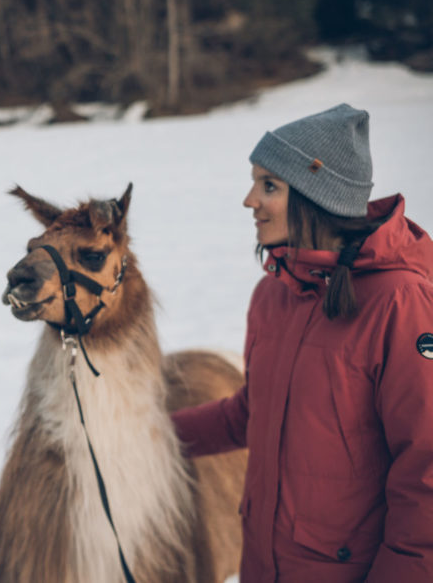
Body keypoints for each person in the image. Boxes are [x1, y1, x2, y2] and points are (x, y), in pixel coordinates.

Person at [171, 103, 433, 582]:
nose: (250, 200)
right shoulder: (275, 293)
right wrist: (149, 437)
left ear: (318, 195)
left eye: (269, 184)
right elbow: (254, 413)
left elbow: (426, 467)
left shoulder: (399, 302)